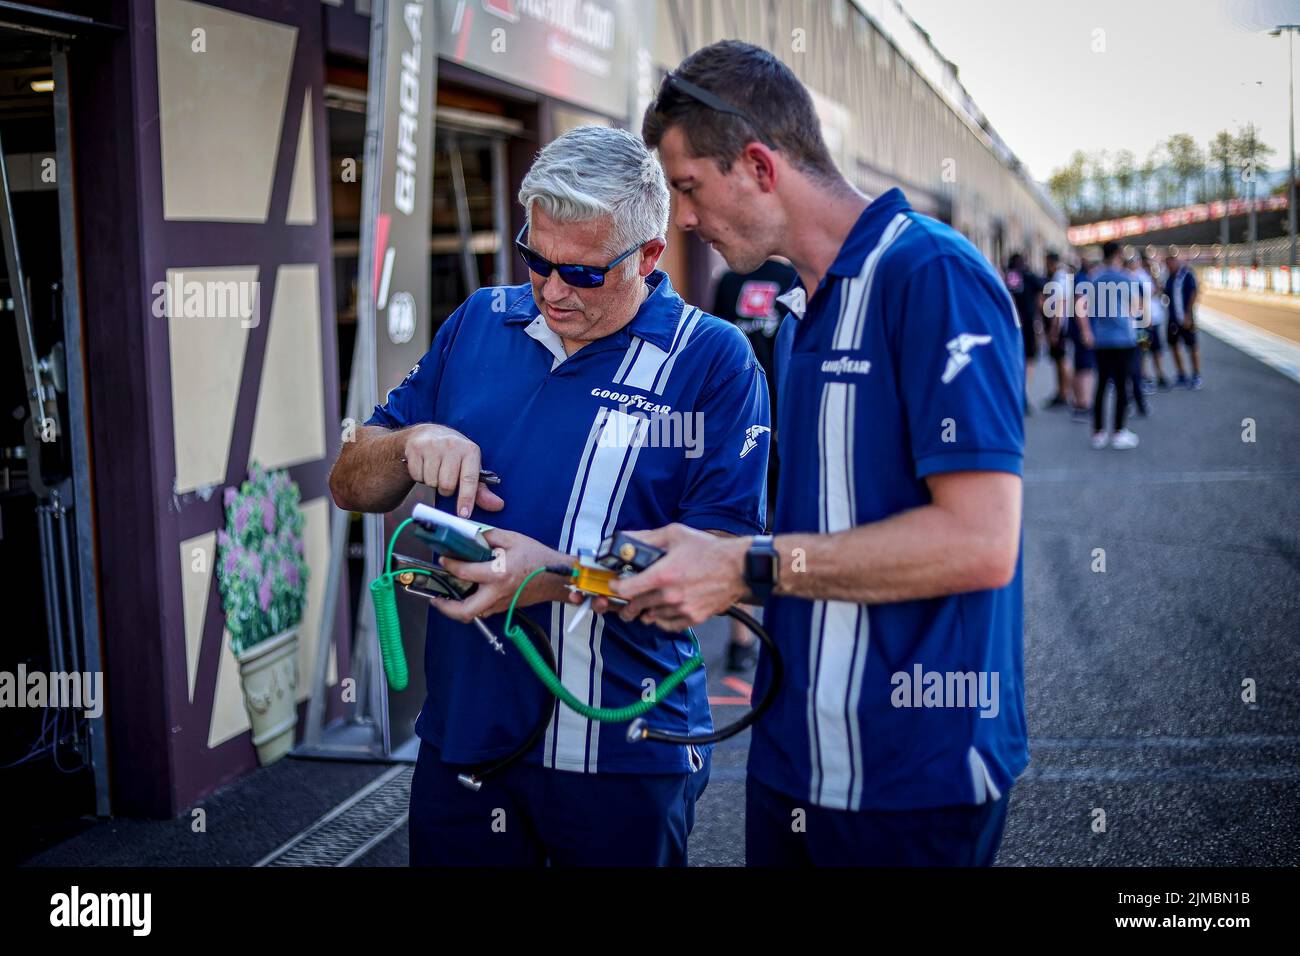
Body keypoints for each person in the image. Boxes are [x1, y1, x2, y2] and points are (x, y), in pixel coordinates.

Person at [604, 39, 1027, 866]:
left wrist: (746, 568)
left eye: (688, 187)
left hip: (916, 779)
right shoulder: (800, 313)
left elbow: (981, 543)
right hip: (792, 763)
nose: (681, 218)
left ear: (760, 166)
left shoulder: (931, 274)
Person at [328, 125, 771, 866]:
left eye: (585, 273)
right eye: (537, 259)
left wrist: (550, 578)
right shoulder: (479, 320)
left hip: (624, 751)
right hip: (463, 741)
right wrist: (406, 444)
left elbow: (720, 573)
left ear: (650, 256)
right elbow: (349, 481)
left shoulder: (712, 361)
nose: (554, 290)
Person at [711, 259, 797, 671]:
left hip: (741, 420)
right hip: (779, 422)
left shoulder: (729, 281)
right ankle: (781, 632)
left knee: (740, 529)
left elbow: (718, 351)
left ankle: (740, 639)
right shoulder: (791, 281)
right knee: (788, 532)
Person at [1080, 241, 1140, 449]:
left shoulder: (1094, 277)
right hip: (1123, 338)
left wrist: (1087, 331)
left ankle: (1098, 432)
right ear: (1117, 254)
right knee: (1123, 386)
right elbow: (1135, 308)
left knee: (1102, 385)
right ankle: (1118, 431)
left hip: (1101, 338)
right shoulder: (1127, 278)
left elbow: (1082, 307)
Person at [1004, 252, 1044, 414]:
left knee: (1015, 360)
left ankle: (1017, 396)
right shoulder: (1030, 277)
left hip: (1012, 324)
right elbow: (1040, 300)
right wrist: (1039, 322)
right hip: (1027, 323)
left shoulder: (1010, 277)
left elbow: (1009, 298)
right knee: (1029, 360)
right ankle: (1023, 394)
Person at [1164, 251, 1203, 389]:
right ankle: (1181, 374)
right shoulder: (1170, 277)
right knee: (1173, 345)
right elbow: (1166, 293)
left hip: (1186, 317)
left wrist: (1188, 314)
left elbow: (1194, 293)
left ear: (1175, 261)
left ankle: (1196, 375)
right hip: (1173, 318)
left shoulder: (1186, 275)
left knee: (1191, 346)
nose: (1168, 266)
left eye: (1170, 263)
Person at [1042, 251, 1073, 409]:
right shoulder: (1062, 278)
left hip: (1059, 325)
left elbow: (1059, 306)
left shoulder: (1058, 280)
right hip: (1059, 324)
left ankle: (1065, 392)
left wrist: (1054, 330)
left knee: (1061, 361)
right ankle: (1061, 391)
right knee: (1058, 361)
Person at [1124, 256, 1149, 419]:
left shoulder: (1134, 283)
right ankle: (1136, 402)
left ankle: (1136, 401)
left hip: (1137, 331)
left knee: (1138, 363)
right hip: (1132, 332)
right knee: (1133, 368)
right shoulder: (1130, 284)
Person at [1139, 255, 1169, 391]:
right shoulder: (1137, 276)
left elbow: (1160, 291)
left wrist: (1154, 276)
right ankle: (1144, 376)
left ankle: (1160, 375)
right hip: (1142, 320)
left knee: (1157, 349)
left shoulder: (1152, 276)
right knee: (1143, 349)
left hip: (1155, 319)